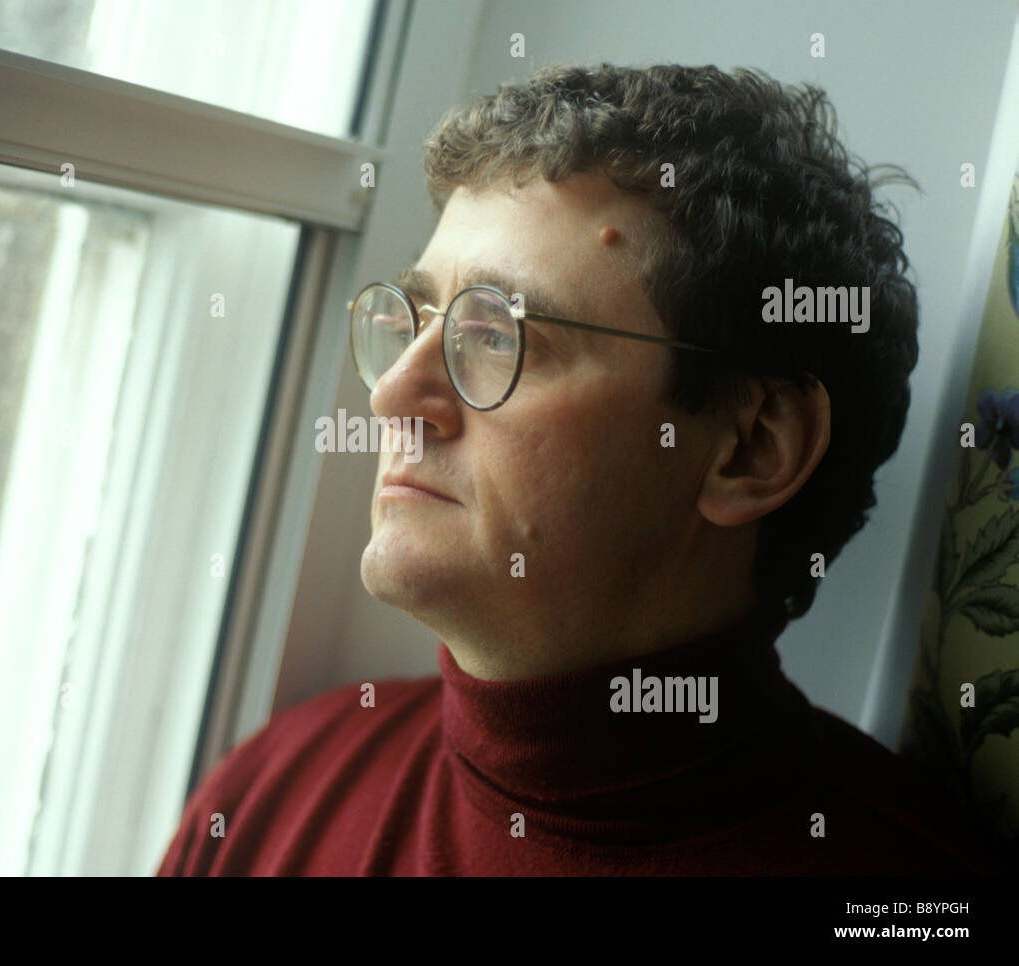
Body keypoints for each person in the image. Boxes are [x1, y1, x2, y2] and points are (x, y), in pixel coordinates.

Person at [157, 63, 997, 875]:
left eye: (496, 335)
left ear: (752, 447)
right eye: (415, 319)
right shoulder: (271, 793)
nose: (395, 396)